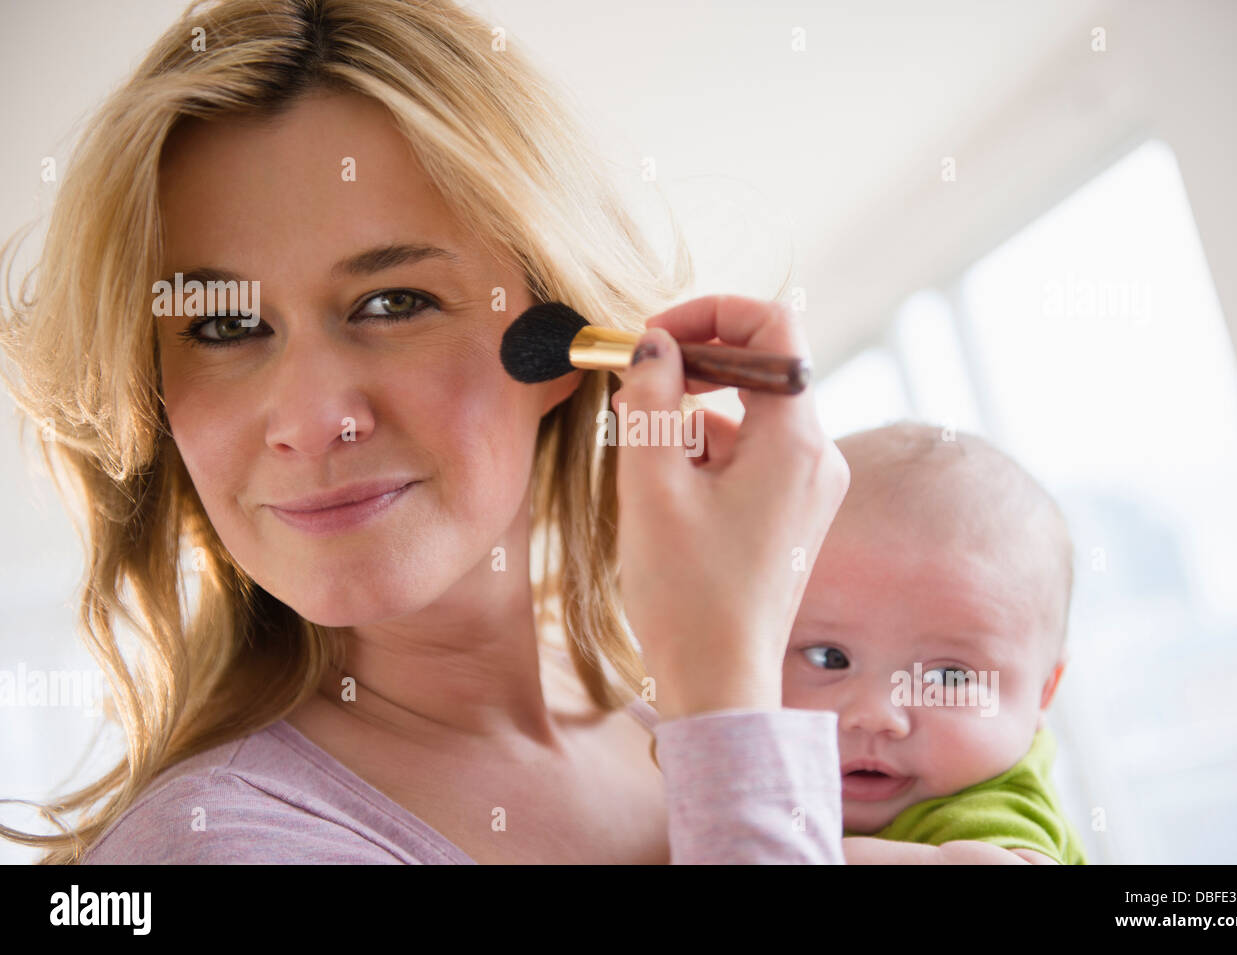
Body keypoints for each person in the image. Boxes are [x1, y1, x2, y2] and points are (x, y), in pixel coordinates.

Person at [0, 0, 849, 864]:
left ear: (562, 344)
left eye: (393, 303)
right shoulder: (218, 844)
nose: (312, 421)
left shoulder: (675, 726)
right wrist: (729, 694)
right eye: (223, 327)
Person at [781, 422, 1088, 864]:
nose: (874, 715)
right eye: (829, 658)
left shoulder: (988, 808)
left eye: (948, 677)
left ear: (1044, 694)